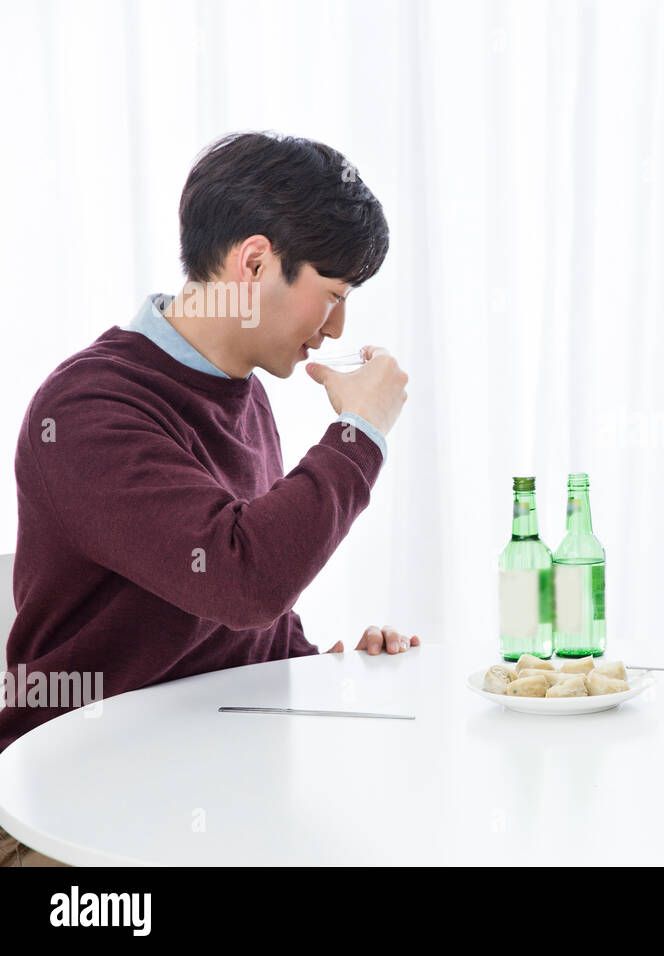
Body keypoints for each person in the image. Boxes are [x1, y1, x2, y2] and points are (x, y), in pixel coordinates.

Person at [0, 131, 418, 866]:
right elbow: (240, 578)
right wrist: (360, 435)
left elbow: (247, 621)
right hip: (71, 807)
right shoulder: (90, 409)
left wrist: (326, 669)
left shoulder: (242, 394)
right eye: (333, 295)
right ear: (254, 262)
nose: (338, 329)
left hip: (208, 780)